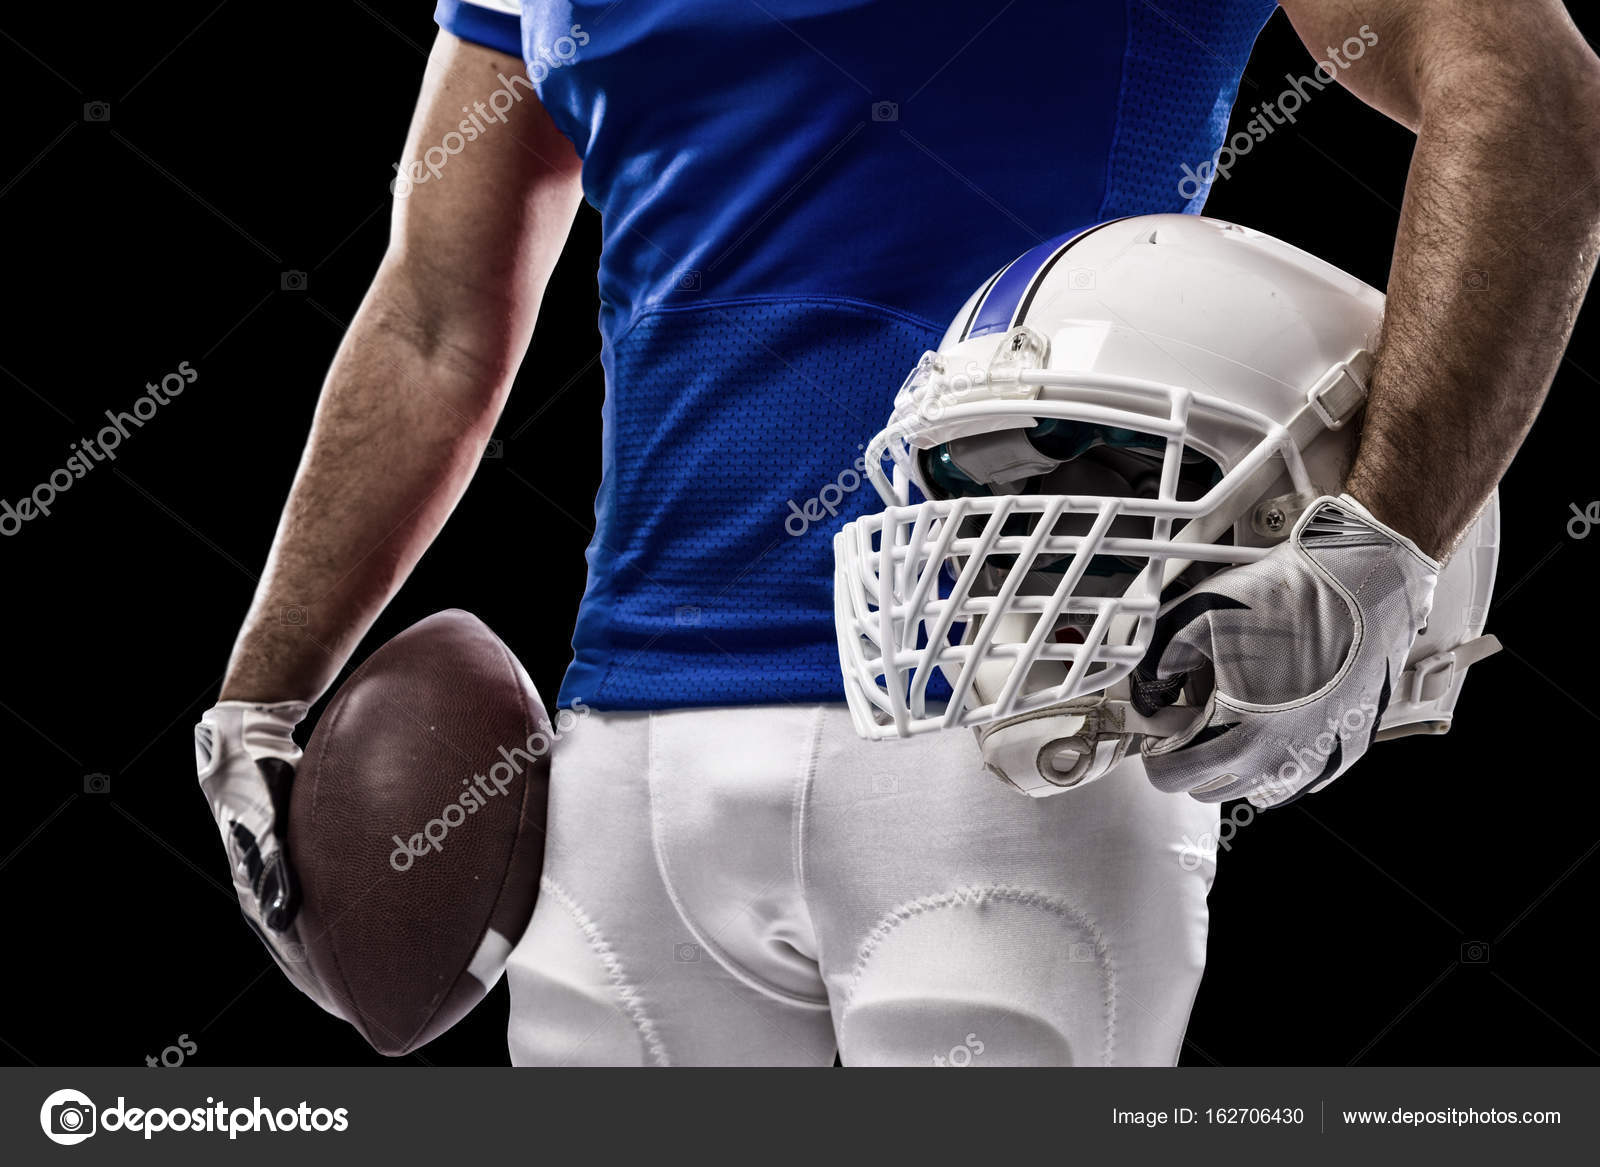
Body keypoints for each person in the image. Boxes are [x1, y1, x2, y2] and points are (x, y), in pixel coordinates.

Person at [195, 1, 1600, 1065]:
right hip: (616, 765)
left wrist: (1378, 543)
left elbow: (1525, 88)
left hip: (1019, 714)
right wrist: (262, 693)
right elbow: (436, 319)